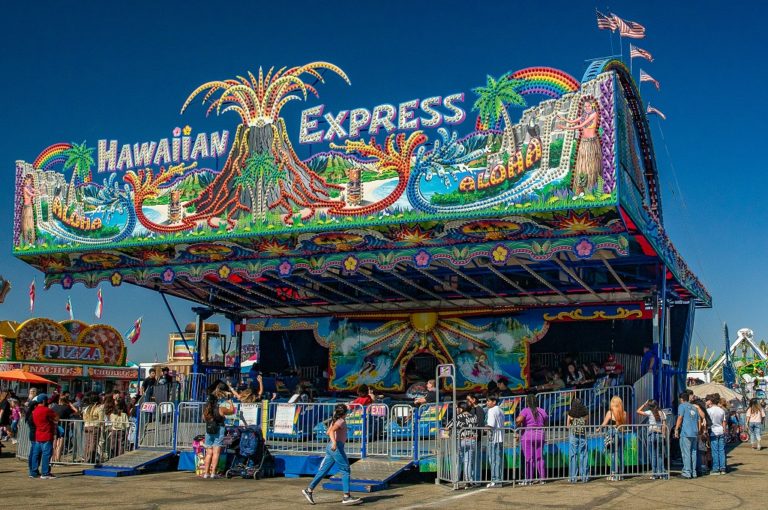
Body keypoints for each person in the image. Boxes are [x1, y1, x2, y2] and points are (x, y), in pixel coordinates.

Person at [302, 404, 362, 505]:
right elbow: (331, 432)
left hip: (331, 448)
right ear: (345, 413)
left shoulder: (335, 420)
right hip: (336, 447)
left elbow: (328, 431)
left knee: (323, 471)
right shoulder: (341, 421)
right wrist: (334, 442)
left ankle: (309, 490)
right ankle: (346, 496)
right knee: (345, 470)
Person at [556, 99, 602, 197]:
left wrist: (564, 128)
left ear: (592, 106)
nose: (587, 108)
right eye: (585, 106)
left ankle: (591, 190)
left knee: (591, 169)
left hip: (591, 145)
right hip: (583, 144)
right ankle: (580, 191)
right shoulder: (584, 115)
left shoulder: (594, 115)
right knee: (582, 169)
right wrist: (563, 119)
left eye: (588, 106)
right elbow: (572, 121)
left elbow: (581, 125)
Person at [201, 382, 235, 479]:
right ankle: (213, 473)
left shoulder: (206, 410)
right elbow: (232, 410)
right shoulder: (221, 408)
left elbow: (204, 418)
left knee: (209, 453)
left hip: (209, 430)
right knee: (216, 452)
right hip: (219, 429)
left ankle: (206, 473)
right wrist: (230, 401)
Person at [516, 393, 548, 485]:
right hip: (540, 435)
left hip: (528, 436)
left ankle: (529, 479)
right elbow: (546, 420)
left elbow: (518, 420)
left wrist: (519, 425)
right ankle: (542, 478)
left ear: (527, 402)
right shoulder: (542, 410)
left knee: (529, 459)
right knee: (539, 457)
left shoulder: (525, 410)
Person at [674, 392, 706, 479]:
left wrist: (676, 429)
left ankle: (687, 472)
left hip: (686, 433)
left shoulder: (682, 406)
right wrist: (699, 431)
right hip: (694, 432)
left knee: (686, 453)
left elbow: (680, 417)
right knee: (693, 453)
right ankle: (694, 472)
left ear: (681, 399)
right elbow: (699, 420)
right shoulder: (694, 407)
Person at [637, 399, 667, 479]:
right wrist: (663, 435)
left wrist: (644, 404)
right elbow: (664, 426)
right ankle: (661, 473)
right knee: (660, 455)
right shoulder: (663, 413)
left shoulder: (649, 413)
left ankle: (655, 474)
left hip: (652, 434)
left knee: (653, 455)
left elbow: (638, 411)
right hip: (660, 434)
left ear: (650, 406)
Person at [598, 396, 627, 481]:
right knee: (621, 454)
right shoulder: (624, 413)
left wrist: (598, 428)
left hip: (613, 434)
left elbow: (604, 424)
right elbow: (625, 424)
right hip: (622, 434)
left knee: (614, 454)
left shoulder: (610, 413)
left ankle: (613, 473)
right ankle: (621, 474)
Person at [31, 394, 58, 479]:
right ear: (44, 401)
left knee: (36, 454)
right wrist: (51, 420)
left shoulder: (35, 410)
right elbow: (57, 417)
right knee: (46, 454)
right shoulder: (46, 410)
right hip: (46, 434)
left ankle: (34, 472)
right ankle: (45, 473)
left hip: (38, 434)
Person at [454, 401, 479, 487]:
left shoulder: (458, 417)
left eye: (458, 408)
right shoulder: (474, 416)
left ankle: (456, 481)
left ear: (461, 408)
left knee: (459, 461)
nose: (457, 409)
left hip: (461, 440)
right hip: (472, 440)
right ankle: (468, 481)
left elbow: (449, 426)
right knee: (468, 462)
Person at [486, 394, 506, 487]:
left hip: (494, 438)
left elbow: (491, 425)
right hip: (500, 438)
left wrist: (484, 428)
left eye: (488, 401)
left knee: (493, 460)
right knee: (498, 459)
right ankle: (499, 479)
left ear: (494, 402)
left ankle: (495, 480)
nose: (487, 403)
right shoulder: (501, 410)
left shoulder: (491, 410)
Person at [567, 398, 589, 483]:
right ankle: (585, 477)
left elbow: (567, 426)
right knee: (583, 454)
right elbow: (587, 424)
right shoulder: (585, 413)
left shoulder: (570, 413)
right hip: (583, 435)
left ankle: (573, 477)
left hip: (573, 435)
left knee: (573, 455)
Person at [706, 395, 727, 475]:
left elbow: (707, 422)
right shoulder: (721, 410)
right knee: (721, 450)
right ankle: (723, 468)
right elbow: (724, 422)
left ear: (711, 401)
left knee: (714, 451)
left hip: (713, 431)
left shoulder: (708, 410)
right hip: (721, 430)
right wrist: (724, 430)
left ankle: (716, 468)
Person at [82, 393, 105, 464]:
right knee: (93, 443)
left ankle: (86, 458)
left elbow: (83, 418)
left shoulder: (86, 408)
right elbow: (101, 419)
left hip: (86, 426)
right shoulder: (99, 409)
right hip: (95, 426)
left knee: (87, 443)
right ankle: (91, 459)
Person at [21, 173, 37, 244]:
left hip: (30, 205)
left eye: (31, 181)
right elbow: (31, 194)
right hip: (27, 206)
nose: (30, 182)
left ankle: (31, 241)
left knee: (31, 222)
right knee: (27, 223)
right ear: (26, 181)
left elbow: (34, 190)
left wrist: (39, 191)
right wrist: (37, 194)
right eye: (29, 181)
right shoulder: (25, 188)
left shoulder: (30, 187)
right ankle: (26, 240)